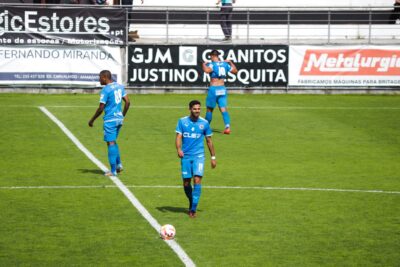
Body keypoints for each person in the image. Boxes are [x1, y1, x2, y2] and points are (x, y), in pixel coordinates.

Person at [175, 100, 216, 218]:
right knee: (186, 183)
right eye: (195, 109)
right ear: (190, 109)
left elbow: (209, 141)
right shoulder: (182, 121)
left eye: (199, 109)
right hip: (186, 156)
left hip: (199, 156)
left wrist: (213, 157)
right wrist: (178, 149)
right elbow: (178, 136)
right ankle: (192, 201)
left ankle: (193, 209)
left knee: (197, 180)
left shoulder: (204, 123)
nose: (197, 111)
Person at [88, 70, 130, 176]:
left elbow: (101, 108)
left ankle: (113, 171)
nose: (99, 79)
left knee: (110, 143)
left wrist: (92, 120)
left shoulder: (106, 90)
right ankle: (119, 165)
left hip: (110, 120)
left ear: (104, 77)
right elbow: (128, 102)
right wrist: (122, 115)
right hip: (119, 119)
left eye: (99, 77)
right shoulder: (120, 86)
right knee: (113, 141)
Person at [202, 49, 238, 134]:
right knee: (223, 109)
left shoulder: (211, 64)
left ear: (212, 56)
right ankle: (227, 127)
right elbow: (235, 71)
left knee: (209, 110)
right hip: (222, 89)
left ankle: (205, 128)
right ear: (218, 55)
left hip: (214, 89)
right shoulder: (225, 64)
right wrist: (230, 62)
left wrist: (203, 64)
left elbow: (207, 71)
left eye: (210, 56)